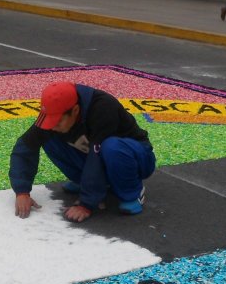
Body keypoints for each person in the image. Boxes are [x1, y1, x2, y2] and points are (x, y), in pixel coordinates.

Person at [9, 82, 156, 222]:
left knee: (110, 146)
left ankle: (132, 192)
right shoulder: (57, 110)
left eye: (58, 122)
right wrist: (22, 192)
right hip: (98, 152)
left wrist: (86, 204)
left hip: (137, 157)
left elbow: (96, 156)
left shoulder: (103, 107)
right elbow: (25, 146)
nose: (53, 126)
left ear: (75, 111)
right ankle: (89, 182)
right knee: (47, 137)